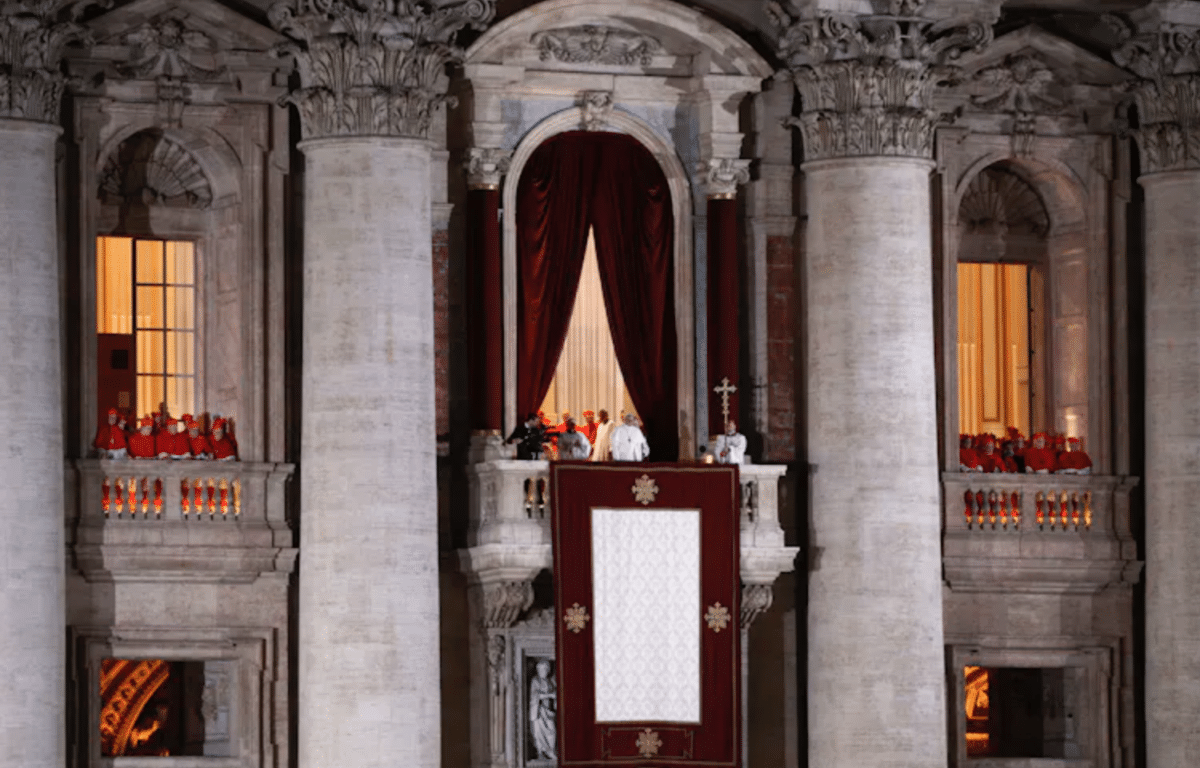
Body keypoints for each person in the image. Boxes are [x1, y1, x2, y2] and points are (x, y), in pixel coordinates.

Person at [529, 659, 556, 760]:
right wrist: (550, 695)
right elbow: (535, 695)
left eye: (545, 669)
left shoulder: (549, 682)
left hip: (548, 711)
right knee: (538, 732)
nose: (543, 671)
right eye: (541, 669)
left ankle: (551, 751)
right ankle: (541, 751)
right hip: (538, 711)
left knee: (552, 730)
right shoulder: (535, 680)